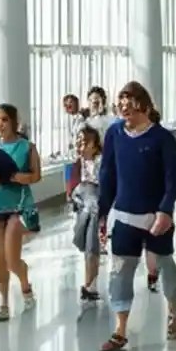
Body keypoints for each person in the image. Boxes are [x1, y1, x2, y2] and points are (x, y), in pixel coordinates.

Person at [97, 82, 176, 351]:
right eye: (121, 105)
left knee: (164, 263)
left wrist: (166, 211)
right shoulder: (114, 134)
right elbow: (107, 174)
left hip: (156, 217)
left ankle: (173, 311)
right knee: (120, 272)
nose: (125, 111)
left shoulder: (162, 139)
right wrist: (103, 213)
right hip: (124, 216)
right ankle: (120, 329)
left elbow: (172, 181)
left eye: (131, 106)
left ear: (144, 107)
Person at [0, 104, 43, 322]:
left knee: (11, 259)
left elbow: (36, 176)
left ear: (14, 122)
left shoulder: (27, 147)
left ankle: (24, 282)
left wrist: (13, 176)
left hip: (18, 206)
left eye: (4, 120)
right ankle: (3, 304)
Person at [71, 125, 105, 302]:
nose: (80, 147)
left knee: (92, 245)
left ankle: (90, 283)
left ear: (95, 145)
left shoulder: (101, 163)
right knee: (88, 244)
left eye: (84, 143)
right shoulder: (78, 163)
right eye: (78, 142)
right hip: (83, 204)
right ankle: (89, 282)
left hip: (94, 206)